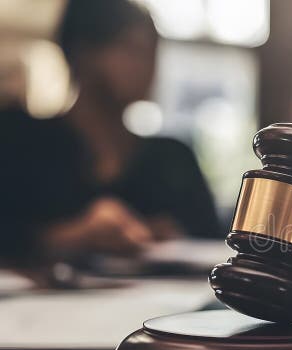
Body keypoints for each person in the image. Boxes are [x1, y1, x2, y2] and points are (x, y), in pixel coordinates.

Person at [0, 0, 220, 263]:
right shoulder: (20, 143)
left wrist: (173, 237)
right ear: (82, 52)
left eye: (154, 52)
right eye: (133, 49)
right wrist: (72, 236)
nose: (149, 66)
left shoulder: (174, 158)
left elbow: (216, 244)